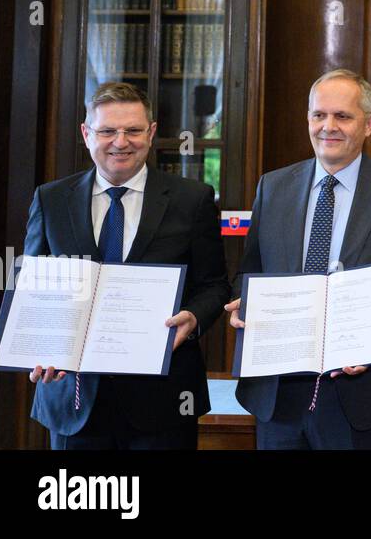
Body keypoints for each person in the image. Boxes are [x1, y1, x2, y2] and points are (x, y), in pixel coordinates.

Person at [225, 69, 371, 449]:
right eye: (319, 115)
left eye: (343, 116)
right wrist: (245, 304)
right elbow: (250, 271)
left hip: (365, 394)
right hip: (279, 391)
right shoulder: (273, 186)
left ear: (368, 124)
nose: (328, 127)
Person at [25, 82, 229, 449]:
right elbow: (32, 287)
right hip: (72, 399)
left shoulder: (193, 199)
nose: (121, 142)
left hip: (163, 401)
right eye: (107, 131)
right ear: (87, 134)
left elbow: (214, 285)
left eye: (133, 130)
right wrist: (40, 344)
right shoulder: (51, 199)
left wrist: (194, 318)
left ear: (150, 133)